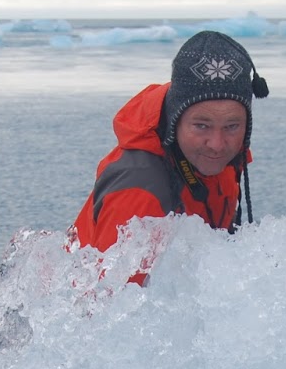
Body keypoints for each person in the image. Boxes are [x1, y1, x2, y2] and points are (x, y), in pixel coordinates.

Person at [72, 30, 269, 257]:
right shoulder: (141, 193)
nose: (217, 144)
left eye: (231, 126)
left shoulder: (218, 158)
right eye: (201, 126)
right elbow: (112, 292)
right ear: (175, 120)